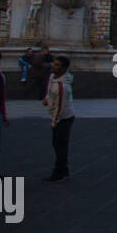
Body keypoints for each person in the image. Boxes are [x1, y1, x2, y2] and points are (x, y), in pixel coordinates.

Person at [41, 55, 74, 183]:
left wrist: (55, 121)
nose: (53, 66)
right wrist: (47, 98)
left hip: (64, 117)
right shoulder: (52, 77)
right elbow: (50, 91)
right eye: (53, 64)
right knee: (58, 144)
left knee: (59, 145)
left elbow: (61, 105)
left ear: (63, 69)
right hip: (60, 115)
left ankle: (59, 172)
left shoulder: (62, 85)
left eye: (56, 65)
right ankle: (64, 169)